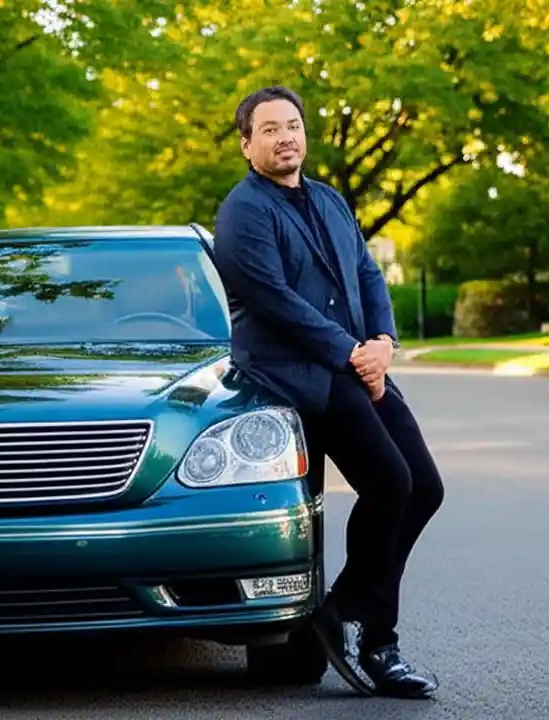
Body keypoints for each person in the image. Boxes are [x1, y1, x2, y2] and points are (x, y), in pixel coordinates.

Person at [211, 85, 444, 699]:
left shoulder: (331, 200)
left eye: (292, 125)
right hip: (297, 373)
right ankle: (377, 641)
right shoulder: (243, 212)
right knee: (391, 484)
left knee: (426, 487)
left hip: (355, 365)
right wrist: (350, 351)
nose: (285, 136)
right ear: (246, 144)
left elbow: (366, 271)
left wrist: (383, 340)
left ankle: (338, 613)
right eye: (269, 129)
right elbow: (272, 301)